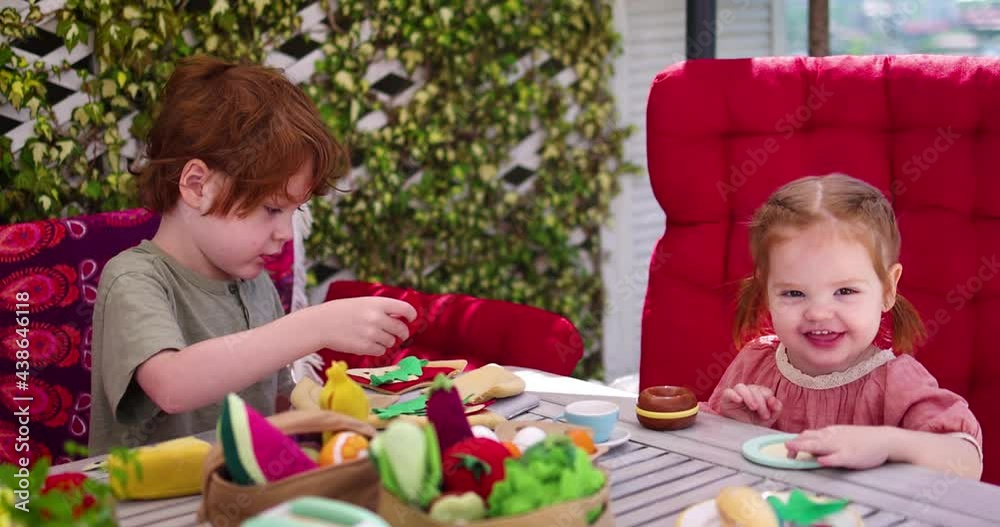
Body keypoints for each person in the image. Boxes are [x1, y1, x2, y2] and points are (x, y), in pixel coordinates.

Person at [88, 55, 416, 454]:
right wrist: (312, 326)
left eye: (296, 212)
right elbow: (172, 385)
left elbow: (278, 409)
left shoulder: (255, 283)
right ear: (197, 186)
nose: (285, 233)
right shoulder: (134, 280)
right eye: (273, 209)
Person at [707, 174, 983, 479]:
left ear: (888, 290)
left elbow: (967, 460)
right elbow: (704, 458)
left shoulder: (896, 382)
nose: (819, 313)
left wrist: (888, 443)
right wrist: (734, 428)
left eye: (845, 291)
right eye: (794, 293)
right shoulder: (753, 363)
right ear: (766, 293)